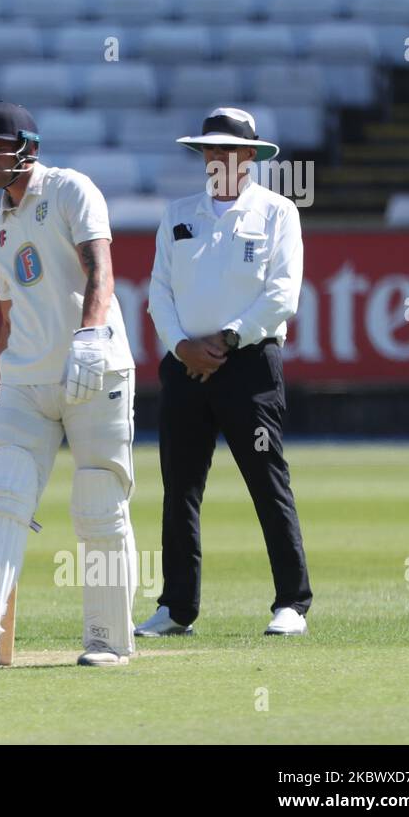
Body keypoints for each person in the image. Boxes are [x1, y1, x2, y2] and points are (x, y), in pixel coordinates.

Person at [0, 101, 139, 668]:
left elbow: (101, 268)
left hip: (94, 368)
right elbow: (9, 315)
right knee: (3, 494)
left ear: (30, 147)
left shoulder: (72, 190)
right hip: (27, 380)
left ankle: (108, 639)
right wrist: (1, 387)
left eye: (0, 149)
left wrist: (92, 335)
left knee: (98, 502)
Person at [138, 106, 312, 638]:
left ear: (252, 157)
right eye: (212, 149)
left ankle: (291, 603)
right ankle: (176, 607)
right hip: (185, 367)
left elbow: (282, 295)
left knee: (266, 480)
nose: (220, 158)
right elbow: (159, 293)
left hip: (249, 368)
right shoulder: (179, 214)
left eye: (231, 150)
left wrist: (229, 337)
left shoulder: (279, 212)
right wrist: (182, 346)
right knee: (180, 488)